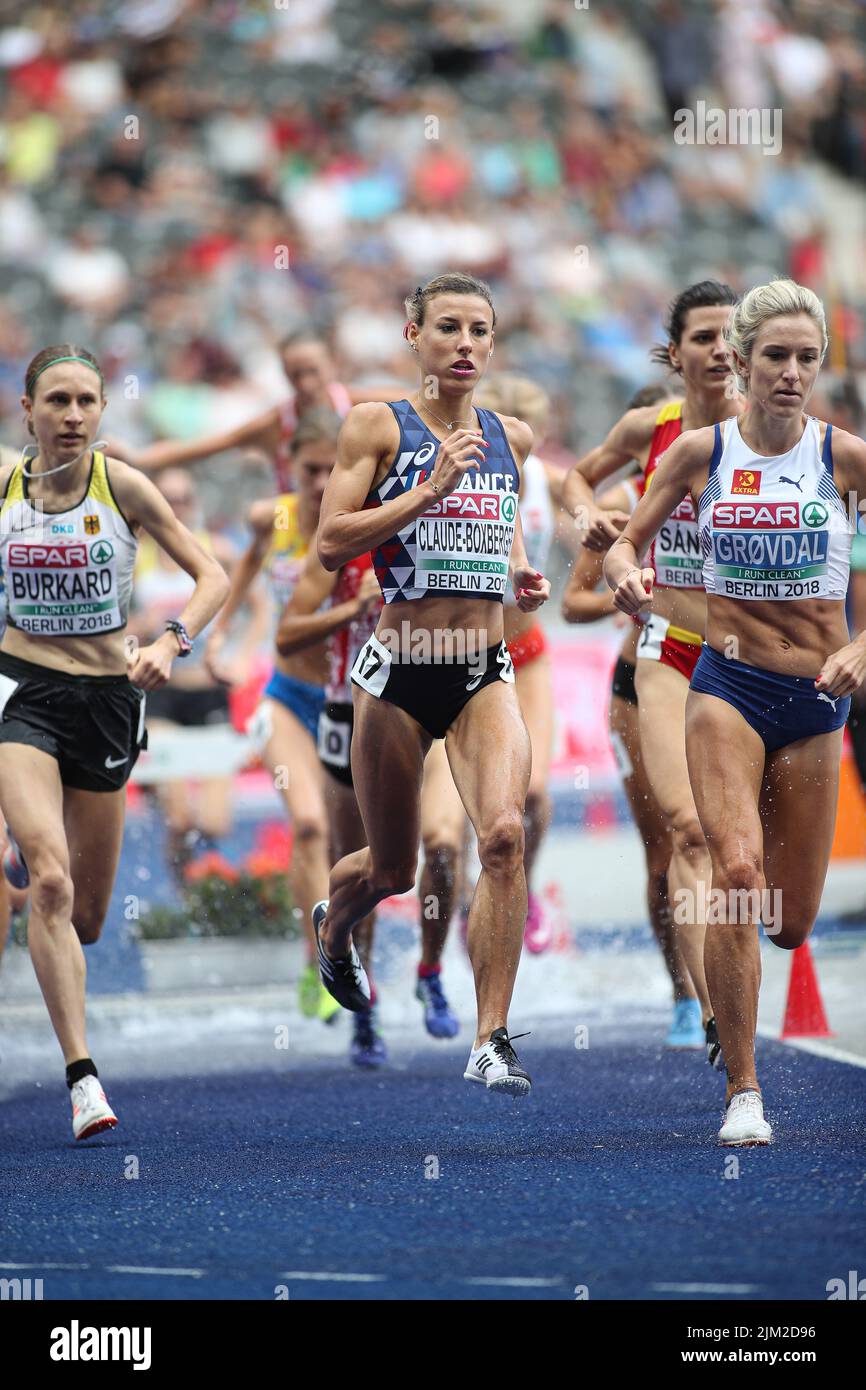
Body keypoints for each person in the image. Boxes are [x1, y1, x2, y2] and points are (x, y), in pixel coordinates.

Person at [605, 278, 863, 1145]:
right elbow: (626, 547)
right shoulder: (699, 454)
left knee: (787, 921)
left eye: (806, 358)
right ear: (741, 363)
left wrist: (862, 647)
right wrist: (629, 576)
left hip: (817, 703)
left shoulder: (845, 458)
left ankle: (748, 998)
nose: (791, 373)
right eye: (774, 357)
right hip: (728, 688)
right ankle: (743, 1091)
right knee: (734, 875)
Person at [313, 271, 550, 1095]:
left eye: (480, 331)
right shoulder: (377, 424)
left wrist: (520, 574)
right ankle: (335, 928)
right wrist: (428, 489)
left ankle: (491, 1038)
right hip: (398, 676)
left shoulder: (510, 436)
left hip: (483, 670)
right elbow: (331, 544)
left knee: (504, 838)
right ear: (414, 335)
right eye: (447, 327)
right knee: (392, 873)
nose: (465, 344)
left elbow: (503, 526)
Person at [0, 345, 228, 1140]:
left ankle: (22, 859)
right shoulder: (3, 483)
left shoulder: (121, 484)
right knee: (53, 884)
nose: (71, 416)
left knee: (86, 918)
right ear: (25, 409)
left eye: (86, 402)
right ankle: (83, 1078)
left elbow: (213, 578)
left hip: (107, 700)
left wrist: (169, 643)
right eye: (55, 400)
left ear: (102, 411)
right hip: (19, 692)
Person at [564, 280, 742, 1064]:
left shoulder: (772, 432)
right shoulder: (651, 427)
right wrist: (591, 524)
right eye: (702, 337)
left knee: (757, 866)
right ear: (674, 352)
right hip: (664, 647)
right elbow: (576, 477)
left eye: (732, 335)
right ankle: (703, 1005)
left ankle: (732, 977)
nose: (719, 350)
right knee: (683, 834)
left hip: (750, 658)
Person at [278, 543, 466, 1060]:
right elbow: (286, 636)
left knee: (445, 847)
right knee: (375, 866)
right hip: (359, 713)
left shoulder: (451, 519)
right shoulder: (341, 544)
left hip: (443, 703)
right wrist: (351, 609)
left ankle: (431, 971)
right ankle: (367, 1001)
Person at [561, 386, 697, 1044]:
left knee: (720, 842)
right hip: (638, 684)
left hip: (715, 675)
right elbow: (572, 603)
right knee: (664, 850)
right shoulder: (620, 507)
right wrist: (633, 595)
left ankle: (720, 970)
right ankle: (683, 994)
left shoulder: (727, 482)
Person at [206, 408, 340, 1022]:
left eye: (334, 468)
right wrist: (218, 639)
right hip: (288, 696)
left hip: (354, 700)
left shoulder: (369, 521)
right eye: (311, 468)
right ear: (290, 468)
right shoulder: (275, 517)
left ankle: (351, 953)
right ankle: (317, 966)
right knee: (309, 827)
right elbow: (245, 571)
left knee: (356, 844)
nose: (321, 480)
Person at [128, 470, 269, 882]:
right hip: (162, 696)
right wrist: (140, 626)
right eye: (167, 499)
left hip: (208, 694)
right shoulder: (138, 556)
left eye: (184, 498)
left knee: (213, 822)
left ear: (196, 502)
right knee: (178, 817)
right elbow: (115, 623)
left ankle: (199, 898)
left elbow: (258, 608)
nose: (177, 507)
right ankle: (182, 899)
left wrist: (241, 655)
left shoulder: (216, 552)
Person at [476, 374, 572, 954]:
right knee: (486, 801)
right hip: (469, 653)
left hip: (528, 653)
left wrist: (611, 543)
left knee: (532, 795)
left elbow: (598, 502)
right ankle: (478, 884)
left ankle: (527, 886)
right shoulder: (460, 469)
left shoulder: (545, 479)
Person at [114, 332, 396, 492]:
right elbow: (204, 446)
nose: (306, 384)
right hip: (299, 535)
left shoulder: (367, 406)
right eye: (295, 375)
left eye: (313, 372)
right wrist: (135, 456)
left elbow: (429, 405)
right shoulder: (275, 424)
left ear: (333, 365)